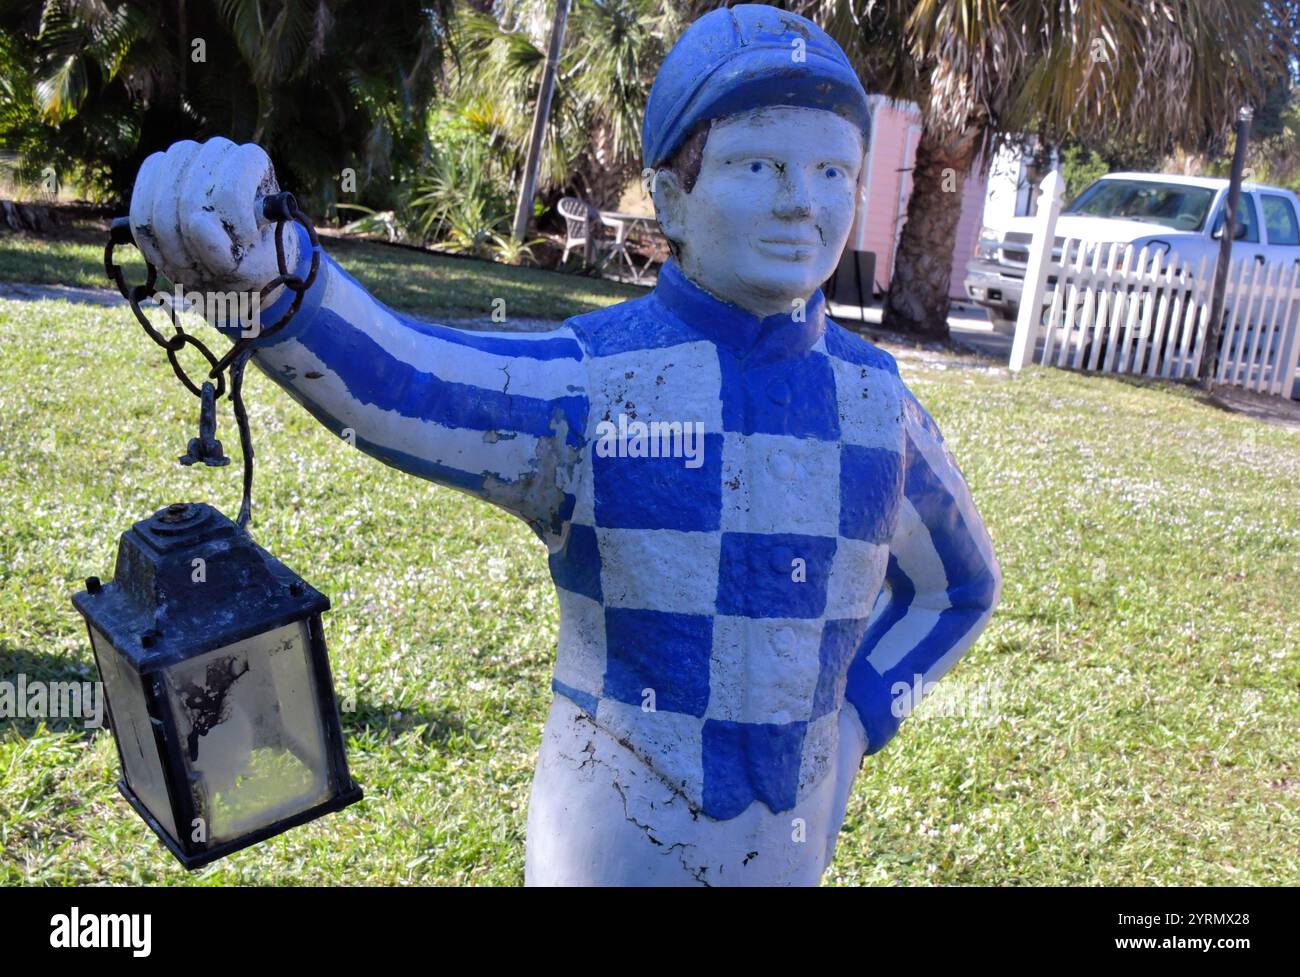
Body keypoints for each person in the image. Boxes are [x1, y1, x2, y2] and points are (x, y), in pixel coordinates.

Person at [127, 4, 1001, 885]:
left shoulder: (877, 404)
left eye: (832, 171)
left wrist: (855, 721)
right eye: (757, 164)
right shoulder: (599, 384)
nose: (800, 202)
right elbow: (413, 381)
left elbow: (960, 587)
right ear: (672, 199)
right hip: (613, 838)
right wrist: (277, 285)